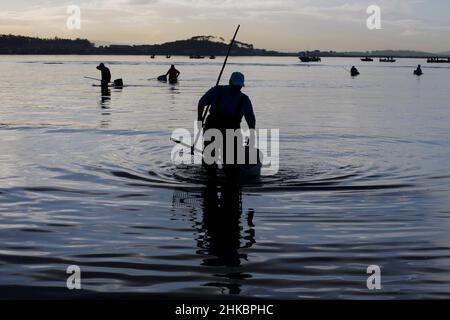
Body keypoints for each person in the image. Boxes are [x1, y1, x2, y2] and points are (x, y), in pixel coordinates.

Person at [197, 72, 256, 175]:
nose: (237, 89)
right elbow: (202, 102)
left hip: (232, 130)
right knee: (209, 159)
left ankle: (229, 177)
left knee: (231, 162)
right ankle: (209, 178)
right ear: (230, 82)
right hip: (213, 126)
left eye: (239, 87)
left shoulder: (244, 99)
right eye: (235, 86)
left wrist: (252, 133)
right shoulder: (217, 91)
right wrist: (199, 119)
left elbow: (250, 117)